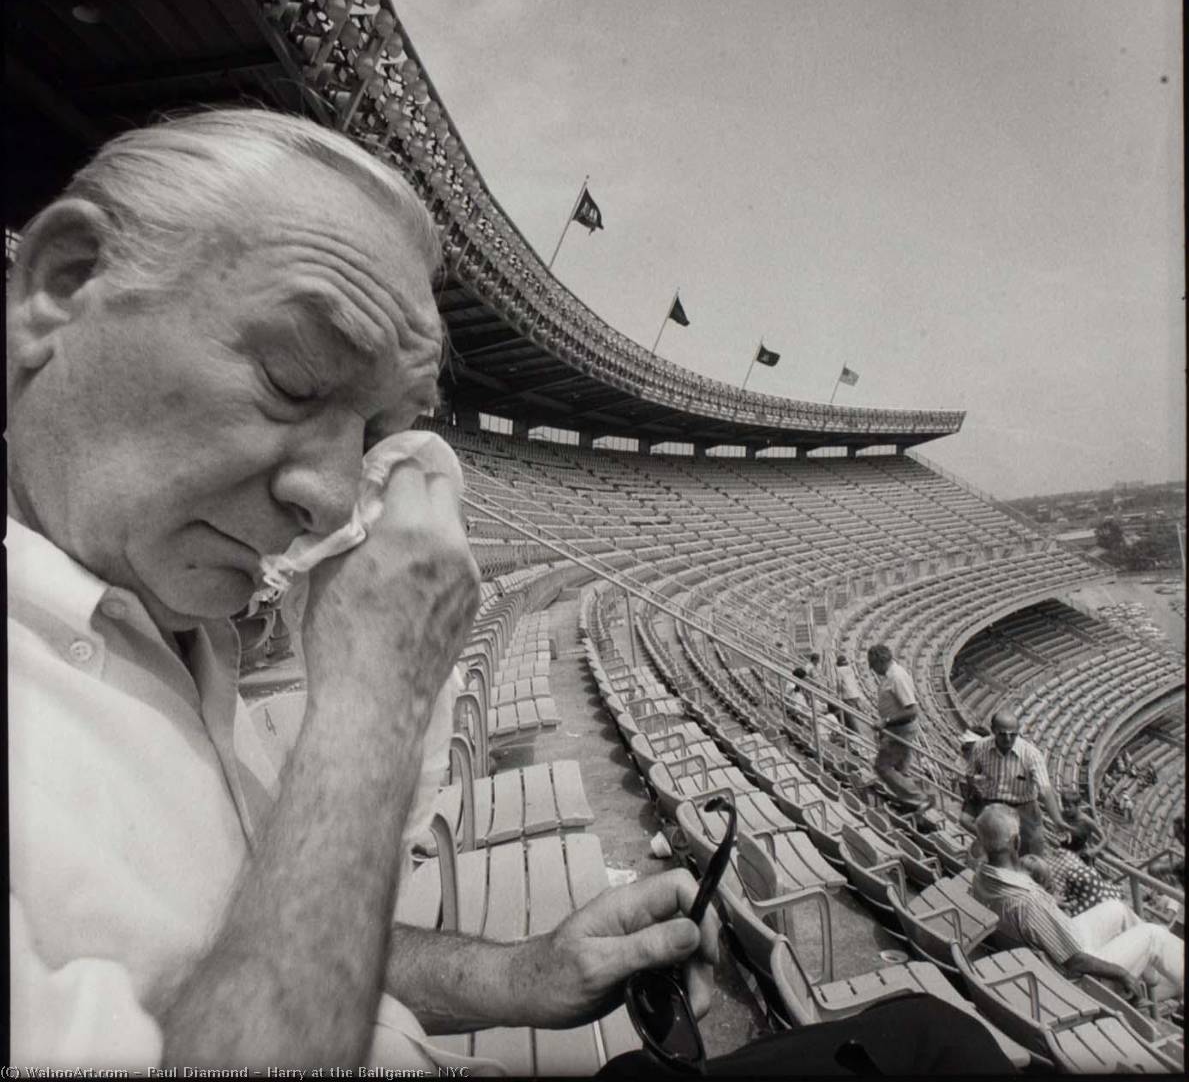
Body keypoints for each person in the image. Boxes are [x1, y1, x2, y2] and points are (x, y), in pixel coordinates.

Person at [7, 108, 1015, 1075]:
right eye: (293, 379)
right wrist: (371, 707)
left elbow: (258, 948)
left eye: (375, 432)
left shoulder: (161, 621)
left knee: (927, 1037)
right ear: (63, 283)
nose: (330, 496)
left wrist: (518, 976)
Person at [972, 806, 1184, 1002]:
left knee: (1117, 909)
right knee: (1154, 935)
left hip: (1060, 945)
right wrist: (1122, 974)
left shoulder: (982, 876)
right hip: (1077, 976)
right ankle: (1156, 979)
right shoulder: (1027, 900)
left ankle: (1153, 976)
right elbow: (1075, 961)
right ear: (1016, 842)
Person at [963, 708, 1072, 857]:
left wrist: (1057, 820)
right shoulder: (981, 747)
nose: (1008, 739)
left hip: (1024, 809)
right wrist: (975, 790)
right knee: (995, 852)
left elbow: (1045, 790)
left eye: (1013, 734)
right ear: (993, 730)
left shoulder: (1031, 754)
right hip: (994, 807)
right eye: (1003, 734)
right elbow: (970, 773)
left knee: (1032, 852)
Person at [865, 643, 935, 816]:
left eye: (873, 666)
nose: (873, 670)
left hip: (900, 730)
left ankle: (919, 799)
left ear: (880, 661)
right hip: (896, 729)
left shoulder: (897, 677)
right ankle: (910, 803)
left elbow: (912, 710)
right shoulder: (890, 676)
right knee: (900, 770)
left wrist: (885, 721)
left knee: (883, 766)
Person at [833, 651, 862, 736]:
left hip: (847, 694)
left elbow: (839, 683)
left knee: (850, 716)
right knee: (854, 714)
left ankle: (857, 734)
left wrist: (838, 694)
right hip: (855, 693)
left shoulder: (839, 670)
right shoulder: (850, 668)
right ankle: (857, 732)